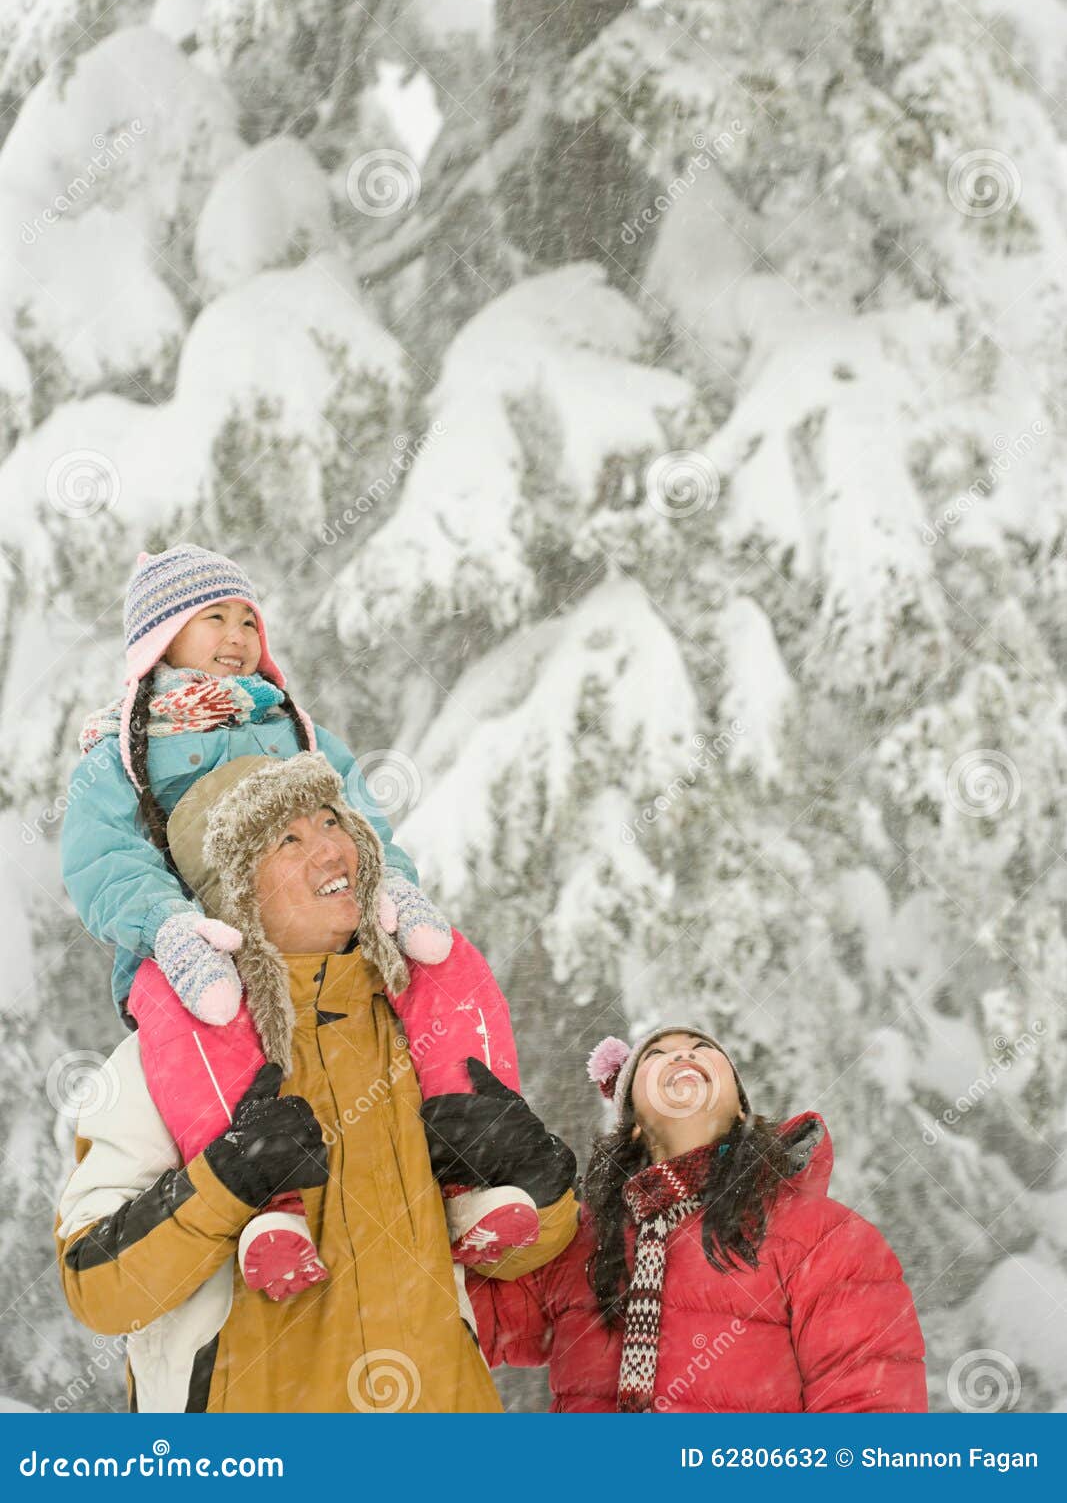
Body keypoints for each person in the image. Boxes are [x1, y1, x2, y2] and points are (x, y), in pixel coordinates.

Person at [61, 543, 542, 1295]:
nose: (236, 637)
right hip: (193, 940)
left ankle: (469, 1164)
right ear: (159, 641)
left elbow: (360, 818)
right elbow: (102, 860)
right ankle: (266, 1204)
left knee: (445, 967)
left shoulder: (293, 729)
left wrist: (397, 889)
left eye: (247, 620)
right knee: (199, 1014)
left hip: (323, 936)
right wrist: (168, 926)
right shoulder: (124, 752)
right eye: (211, 618)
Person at [54, 752, 579, 1413]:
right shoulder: (160, 1061)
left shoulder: (425, 1036)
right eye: (290, 839)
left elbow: (516, 1270)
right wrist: (222, 1182)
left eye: (332, 821)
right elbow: (99, 1289)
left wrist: (539, 1179)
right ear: (233, 892)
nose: (332, 849)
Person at [469, 1025, 928, 1413]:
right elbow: (450, 1322)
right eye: (656, 1054)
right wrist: (496, 1192)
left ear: (742, 1110)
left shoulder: (826, 1238)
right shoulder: (581, 1245)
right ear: (632, 1120)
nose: (685, 1053)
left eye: (703, 1049)